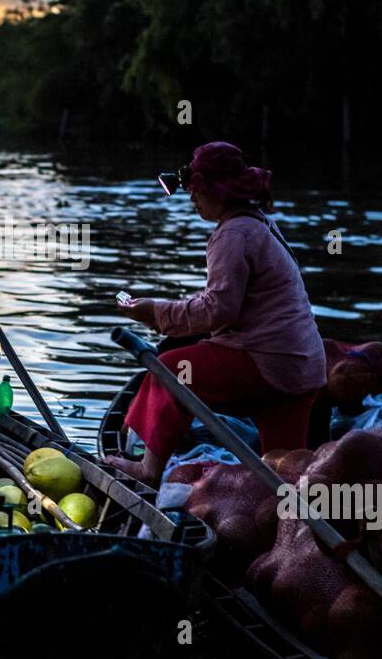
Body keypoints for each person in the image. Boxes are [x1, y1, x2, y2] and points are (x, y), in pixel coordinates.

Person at [109, 141, 326, 486]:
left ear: (217, 190)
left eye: (196, 191)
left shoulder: (233, 233)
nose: (192, 199)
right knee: (281, 477)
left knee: (170, 371)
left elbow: (219, 309)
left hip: (266, 358)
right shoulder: (259, 223)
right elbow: (227, 302)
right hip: (303, 364)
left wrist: (156, 313)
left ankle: (148, 470)